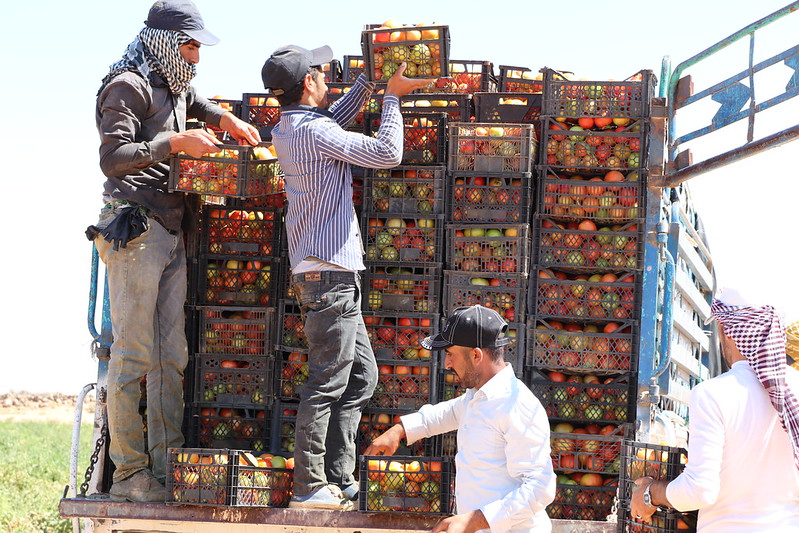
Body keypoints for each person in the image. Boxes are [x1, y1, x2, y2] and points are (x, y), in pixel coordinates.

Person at [90, 0, 260, 503]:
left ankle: (166, 470)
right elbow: (112, 159)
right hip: (136, 228)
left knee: (172, 356)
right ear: (165, 41)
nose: (196, 57)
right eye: (189, 45)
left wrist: (224, 117)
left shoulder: (173, 80)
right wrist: (173, 144)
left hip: (169, 228)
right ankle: (128, 474)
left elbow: (196, 99)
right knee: (133, 355)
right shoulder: (128, 86)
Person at [260, 45, 429, 510]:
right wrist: (391, 99)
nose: (324, 74)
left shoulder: (292, 126)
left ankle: (338, 474)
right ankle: (309, 485)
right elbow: (387, 152)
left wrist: (368, 85)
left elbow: (334, 118)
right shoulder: (314, 132)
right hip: (328, 276)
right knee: (327, 382)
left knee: (362, 377)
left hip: (329, 274)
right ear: (309, 84)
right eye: (319, 71)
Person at [364, 305, 557, 532]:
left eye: (450, 354)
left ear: (476, 355)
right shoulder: (477, 395)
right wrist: (400, 430)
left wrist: (475, 520)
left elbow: (540, 487)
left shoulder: (517, 405)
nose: (446, 364)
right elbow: (449, 413)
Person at [631, 287, 799, 532]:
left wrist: (650, 492)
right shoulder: (793, 390)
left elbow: (699, 490)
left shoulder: (713, 394)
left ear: (727, 332)